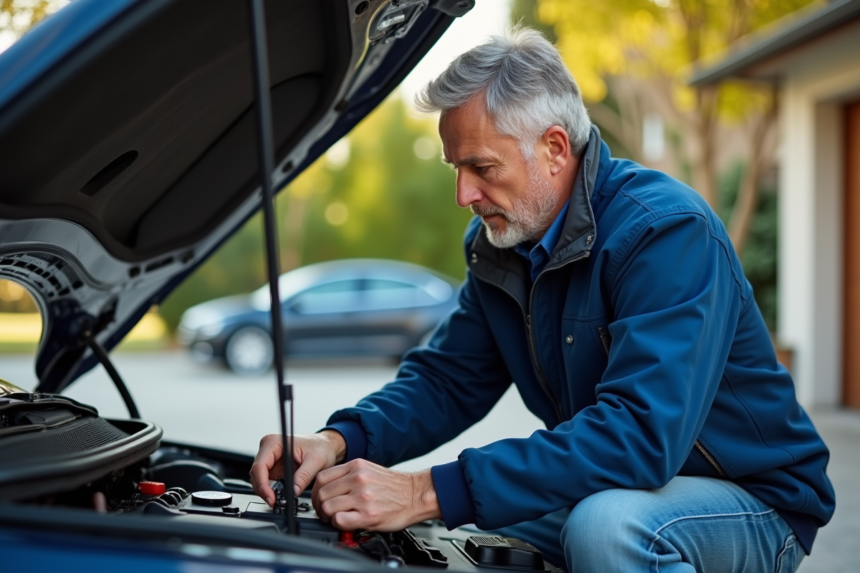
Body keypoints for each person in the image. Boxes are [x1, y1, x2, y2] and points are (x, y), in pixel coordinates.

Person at [250, 27, 834, 572]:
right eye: (456, 167)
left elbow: (639, 434)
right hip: (620, 481)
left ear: (554, 147)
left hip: (752, 498)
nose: (463, 194)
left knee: (605, 528)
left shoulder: (664, 232)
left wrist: (424, 490)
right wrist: (337, 441)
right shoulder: (500, 244)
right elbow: (448, 379)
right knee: (450, 534)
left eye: (480, 166)